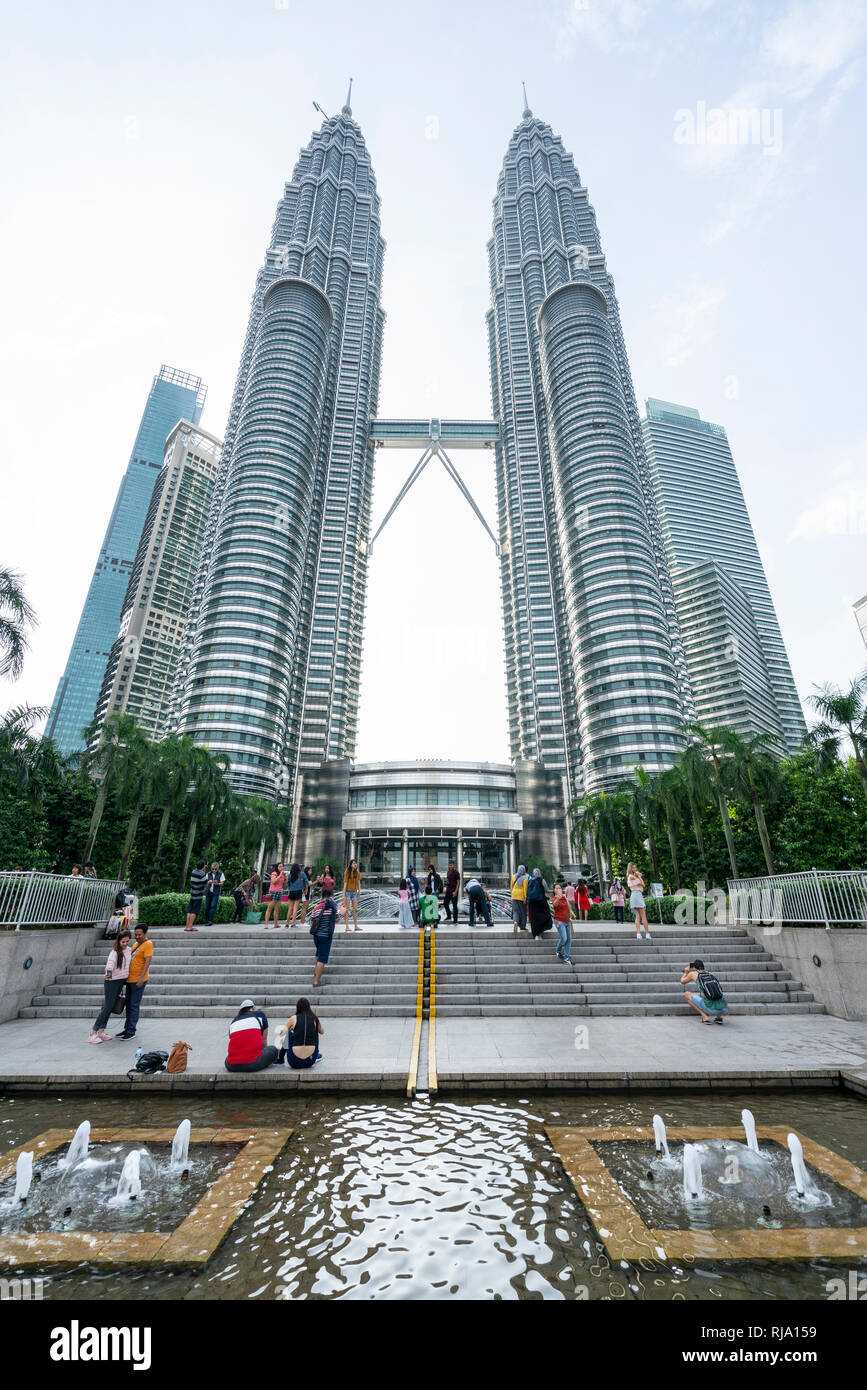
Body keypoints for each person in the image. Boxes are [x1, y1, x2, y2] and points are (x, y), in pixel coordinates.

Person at [88, 928, 131, 1044]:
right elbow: (109, 966)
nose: (125, 944)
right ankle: (93, 1033)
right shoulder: (115, 952)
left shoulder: (129, 950)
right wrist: (109, 975)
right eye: (123, 942)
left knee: (110, 1007)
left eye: (127, 941)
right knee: (107, 1007)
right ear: (118, 941)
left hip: (121, 981)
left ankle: (101, 1031)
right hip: (112, 982)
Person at [116, 924, 153, 1039]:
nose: (137, 937)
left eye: (139, 935)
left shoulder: (148, 944)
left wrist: (141, 978)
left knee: (134, 1005)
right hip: (130, 979)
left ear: (145, 933)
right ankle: (127, 1028)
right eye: (135, 935)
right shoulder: (136, 944)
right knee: (128, 1004)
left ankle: (131, 1031)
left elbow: (147, 962)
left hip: (138, 980)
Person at [224, 998, 278, 1071]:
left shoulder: (234, 1021)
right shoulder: (260, 1015)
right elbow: (264, 1039)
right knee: (273, 1050)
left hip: (232, 1065)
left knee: (228, 1058)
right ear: (252, 1008)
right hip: (252, 1063)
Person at [680, 959, 728, 1024]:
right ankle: (720, 1016)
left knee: (687, 994)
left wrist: (686, 972)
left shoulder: (693, 974)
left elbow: (682, 981)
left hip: (709, 1009)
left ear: (694, 967)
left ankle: (705, 1017)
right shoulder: (710, 974)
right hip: (723, 1008)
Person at [280, 997, 324, 1069]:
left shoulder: (293, 1018)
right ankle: (315, 1054)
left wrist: (291, 1029)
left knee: (289, 1034)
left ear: (298, 1007)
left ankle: (280, 1058)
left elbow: (282, 1034)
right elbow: (322, 1032)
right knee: (316, 1033)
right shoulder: (314, 1018)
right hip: (310, 1061)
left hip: (294, 1061)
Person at [310, 884, 338, 986]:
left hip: (316, 936)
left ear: (322, 897)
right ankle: (316, 981)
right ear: (331, 897)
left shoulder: (316, 908)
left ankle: (316, 971)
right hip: (325, 936)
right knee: (322, 958)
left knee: (318, 953)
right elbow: (337, 919)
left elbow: (312, 921)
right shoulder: (332, 908)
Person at [627, 862, 652, 941]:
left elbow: (641, 884)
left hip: (634, 895)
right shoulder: (631, 876)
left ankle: (638, 934)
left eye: (635, 867)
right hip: (637, 894)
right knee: (643, 916)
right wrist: (639, 876)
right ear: (630, 868)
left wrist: (638, 876)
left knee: (637, 916)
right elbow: (643, 884)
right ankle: (647, 934)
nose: (635, 869)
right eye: (633, 867)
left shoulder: (631, 877)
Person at [527, 867, 551, 938]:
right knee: (545, 915)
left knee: (534, 919)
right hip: (541, 902)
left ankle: (536, 935)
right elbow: (546, 890)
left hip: (532, 903)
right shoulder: (542, 880)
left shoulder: (530, 881)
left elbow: (527, 892)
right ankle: (541, 931)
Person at [552, 883, 573, 965]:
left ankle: (566, 958)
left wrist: (566, 898)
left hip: (567, 921)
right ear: (554, 890)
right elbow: (555, 905)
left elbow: (569, 907)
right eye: (556, 888)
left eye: (559, 888)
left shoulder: (564, 898)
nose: (558, 890)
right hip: (559, 921)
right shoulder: (554, 898)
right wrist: (558, 898)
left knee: (569, 939)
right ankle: (558, 950)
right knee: (564, 938)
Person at [185, 860, 208, 931]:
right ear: (203, 866)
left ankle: (187, 926)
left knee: (189, 910)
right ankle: (190, 927)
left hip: (192, 893)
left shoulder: (193, 871)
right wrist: (209, 882)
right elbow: (206, 884)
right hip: (198, 895)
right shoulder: (202, 874)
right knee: (194, 911)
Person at [263, 862, 286, 928]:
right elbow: (273, 881)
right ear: (277, 867)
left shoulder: (282, 875)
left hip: (279, 892)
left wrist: (285, 878)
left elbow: (284, 885)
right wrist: (280, 875)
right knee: (269, 908)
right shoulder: (274, 873)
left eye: (282, 866)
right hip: (273, 892)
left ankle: (276, 924)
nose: (281, 868)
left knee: (277, 909)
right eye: (280, 866)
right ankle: (266, 925)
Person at [286, 863, 308, 928]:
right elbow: (306, 882)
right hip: (298, 891)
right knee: (295, 908)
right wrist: (305, 888)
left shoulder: (290, 875)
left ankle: (287, 924)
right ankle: (293, 924)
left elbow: (288, 883)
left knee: (290, 908)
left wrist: (290, 888)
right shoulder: (302, 874)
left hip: (291, 892)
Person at [343, 859, 363, 932]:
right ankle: (347, 926)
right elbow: (345, 883)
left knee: (355, 909)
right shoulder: (347, 872)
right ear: (351, 865)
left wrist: (359, 891)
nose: (355, 864)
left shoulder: (357, 873)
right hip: (347, 892)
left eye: (356, 863)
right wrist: (343, 895)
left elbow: (358, 883)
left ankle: (356, 926)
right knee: (347, 910)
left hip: (354, 892)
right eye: (354, 863)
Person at [510, 864, 529, 932]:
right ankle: (522, 927)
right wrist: (525, 898)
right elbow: (525, 889)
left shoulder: (513, 876)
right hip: (521, 896)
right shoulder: (525, 878)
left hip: (514, 895)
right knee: (523, 912)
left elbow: (511, 887)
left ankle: (515, 922)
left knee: (515, 911)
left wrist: (512, 894)